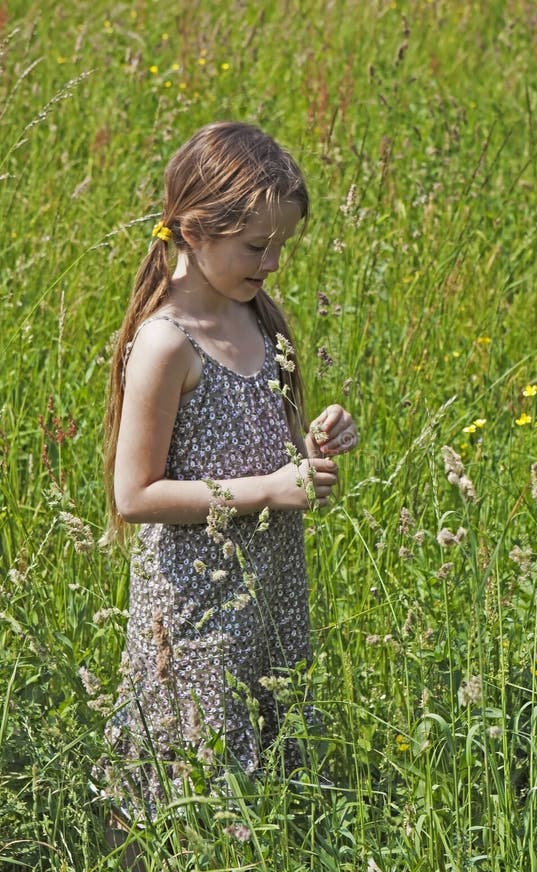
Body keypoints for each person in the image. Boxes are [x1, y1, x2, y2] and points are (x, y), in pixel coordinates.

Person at [101, 121, 358, 813]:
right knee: (195, 787)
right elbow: (134, 494)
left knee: (269, 782)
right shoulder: (165, 343)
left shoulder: (258, 316)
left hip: (270, 590)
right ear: (191, 232)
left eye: (281, 245)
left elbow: (271, 453)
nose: (272, 261)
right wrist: (271, 489)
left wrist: (316, 448)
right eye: (255, 245)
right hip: (196, 611)